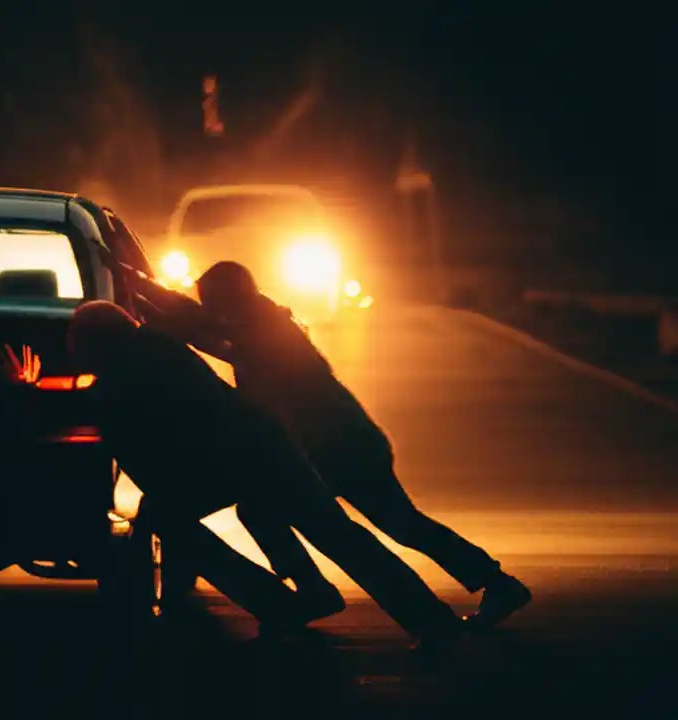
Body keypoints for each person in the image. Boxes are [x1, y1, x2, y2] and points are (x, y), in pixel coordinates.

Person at [69, 300, 466, 652]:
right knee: (341, 538)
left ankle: (280, 603)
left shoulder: (125, 379)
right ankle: (430, 621)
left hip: (238, 459)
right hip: (259, 449)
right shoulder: (156, 350)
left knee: (167, 516)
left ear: (99, 344)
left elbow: (117, 424)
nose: (71, 349)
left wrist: (20, 384)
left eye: (78, 341)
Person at [187, 261, 531, 629]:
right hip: (345, 445)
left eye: (212, 304)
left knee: (274, 514)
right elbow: (215, 340)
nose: (210, 313)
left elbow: (223, 348)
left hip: (341, 450)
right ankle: (496, 583)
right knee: (402, 524)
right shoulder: (263, 324)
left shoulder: (261, 337)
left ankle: (315, 589)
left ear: (228, 303)